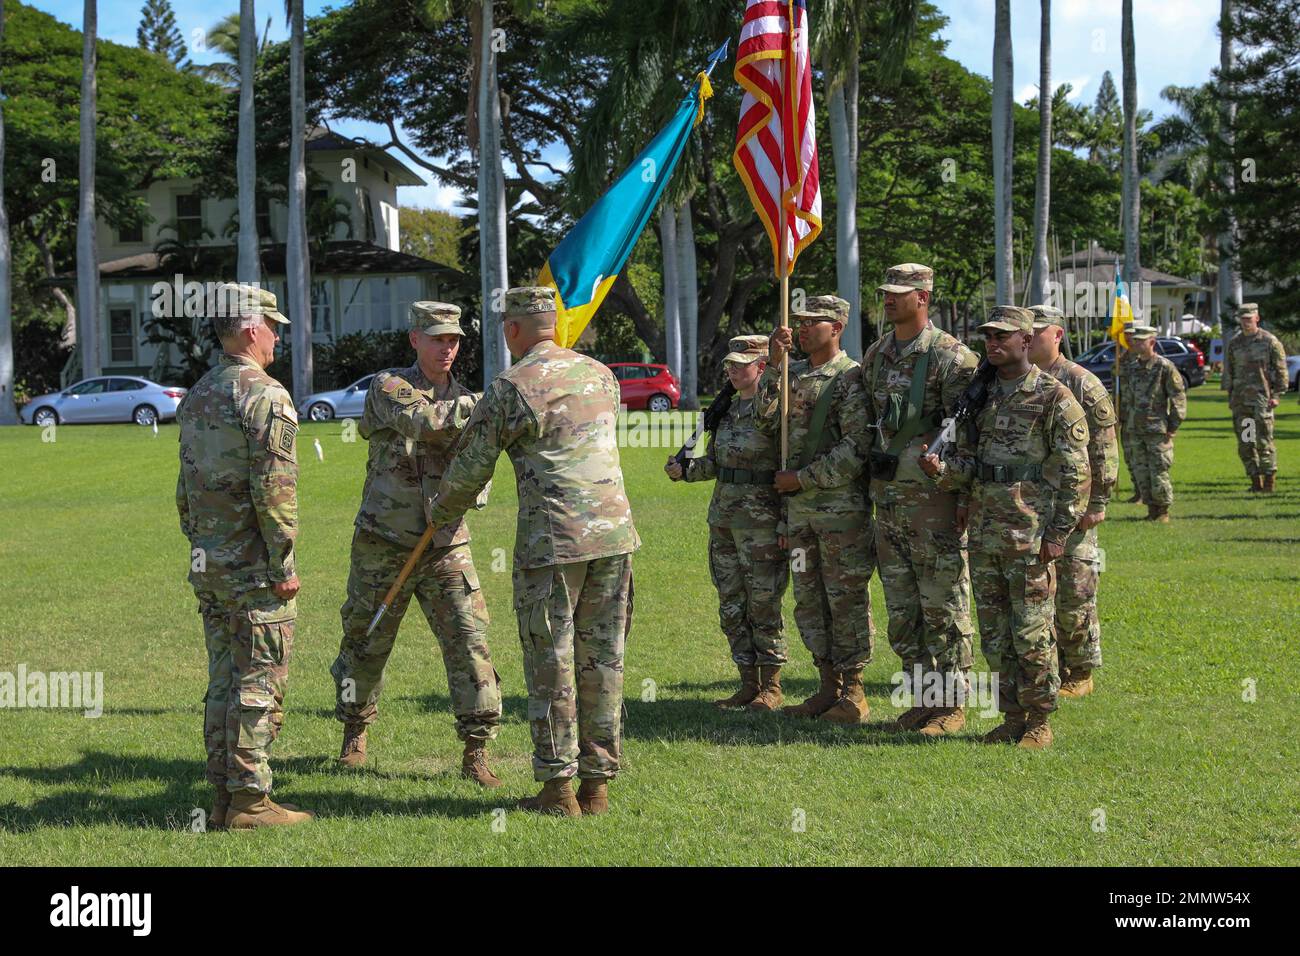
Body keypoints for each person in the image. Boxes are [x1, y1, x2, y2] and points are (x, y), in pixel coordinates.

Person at [426, 287, 638, 817]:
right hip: (614, 537)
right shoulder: (601, 375)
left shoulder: (512, 387)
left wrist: (440, 511)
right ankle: (597, 785)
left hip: (555, 541)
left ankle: (558, 787)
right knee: (603, 660)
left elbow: (472, 467)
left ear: (512, 329)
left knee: (552, 661)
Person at [330, 302, 503, 786]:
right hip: (383, 542)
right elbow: (426, 422)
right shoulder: (388, 387)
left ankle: (476, 749)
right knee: (365, 641)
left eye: (453, 340)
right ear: (415, 339)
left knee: (470, 643)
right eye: (436, 338)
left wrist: (471, 491)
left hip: (445, 544)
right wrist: (490, 402)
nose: (447, 347)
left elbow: (482, 463)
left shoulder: (470, 398)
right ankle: (355, 730)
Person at [920, 305, 1090, 750]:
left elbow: (1076, 474)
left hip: (1029, 534)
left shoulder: (1053, 397)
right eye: (988, 338)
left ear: (1026, 341)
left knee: (1032, 631)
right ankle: (1011, 715)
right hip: (985, 532)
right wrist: (941, 469)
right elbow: (973, 467)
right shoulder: (982, 397)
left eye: (1003, 338)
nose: (993, 345)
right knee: (996, 634)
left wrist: (1058, 534)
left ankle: (1039, 721)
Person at [175, 283, 314, 829]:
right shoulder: (265, 395)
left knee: (224, 678)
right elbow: (274, 488)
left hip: (211, 562)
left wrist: (201, 542)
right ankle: (251, 801)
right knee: (259, 679)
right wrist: (283, 563)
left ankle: (222, 796)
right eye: (273, 326)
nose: (278, 337)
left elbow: (185, 489)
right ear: (252, 329)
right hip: (254, 566)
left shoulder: (199, 394)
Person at [863, 264, 978, 736]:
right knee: (904, 610)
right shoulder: (877, 353)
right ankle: (922, 700)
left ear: (924, 297)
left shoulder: (952, 357)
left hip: (934, 502)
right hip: (888, 501)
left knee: (944, 606)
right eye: (886, 292)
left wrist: (959, 487)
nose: (889, 300)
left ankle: (952, 706)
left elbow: (970, 434)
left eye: (899, 293)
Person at [756, 295, 876, 724]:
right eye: (799, 323)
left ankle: (854, 692)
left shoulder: (849, 378)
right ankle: (827, 687)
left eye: (812, 323)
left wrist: (802, 480)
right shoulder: (794, 373)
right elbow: (764, 420)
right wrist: (773, 363)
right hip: (799, 515)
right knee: (809, 601)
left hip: (839, 514)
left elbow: (856, 447)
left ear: (837, 327)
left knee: (844, 600)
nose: (802, 330)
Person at [665, 336, 789, 710]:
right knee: (731, 603)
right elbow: (720, 463)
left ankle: (771, 685)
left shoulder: (774, 411)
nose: (733, 371)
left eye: (741, 364)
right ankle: (747, 682)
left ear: (761, 367)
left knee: (763, 603)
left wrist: (780, 365)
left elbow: (780, 451)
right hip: (723, 520)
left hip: (761, 523)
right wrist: (684, 470)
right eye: (729, 365)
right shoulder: (727, 410)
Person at [1029, 304, 1118, 699]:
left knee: (1075, 589)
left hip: (1075, 504)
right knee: (1036, 592)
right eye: (1026, 331)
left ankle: (1079, 670)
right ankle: (1047, 666)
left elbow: (1103, 447)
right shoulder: (1018, 379)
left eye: (1040, 331)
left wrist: (1098, 501)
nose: (1031, 337)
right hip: (1031, 505)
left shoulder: (1081, 382)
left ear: (1058, 335)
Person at [1122, 324, 1186, 522]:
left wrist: (1173, 427)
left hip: (1157, 428)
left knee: (1158, 471)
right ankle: (1151, 509)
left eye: (1141, 341)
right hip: (1134, 428)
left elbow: (1178, 397)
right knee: (1141, 471)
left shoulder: (1164, 367)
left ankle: (1163, 511)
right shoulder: (1132, 368)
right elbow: (1126, 398)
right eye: (1136, 340)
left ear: (1152, 342)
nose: (1137, 344)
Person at [1222, 303, 1288, 492]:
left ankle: (1269, 481)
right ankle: (1255, 481)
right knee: (1246, 443)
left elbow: (1281, 370)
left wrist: (1276, 395)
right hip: (1241, 404)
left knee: (1264, 442)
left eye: (1249, 319)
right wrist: (1231, 396)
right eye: (1242, 319)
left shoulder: (1269, 341)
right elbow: (1230, 371)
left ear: (1257, 319)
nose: (1245, 323)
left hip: (1262, 401)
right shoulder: (1235, 343)